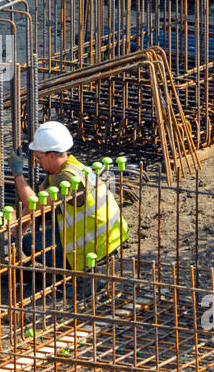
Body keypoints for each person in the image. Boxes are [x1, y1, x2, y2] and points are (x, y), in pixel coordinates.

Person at [13, 121, 128, 292]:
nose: (36, 162)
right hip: (107, 236)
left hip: (96, 243)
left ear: (52, 155)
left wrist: (18, 175)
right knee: (29, 239)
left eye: (38, 157)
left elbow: (36, 205)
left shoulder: (67, 179)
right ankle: (73, 273)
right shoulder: (67, 168)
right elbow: (34, 203)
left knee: (31, 244)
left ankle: (81, 279)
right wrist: (16, 234)